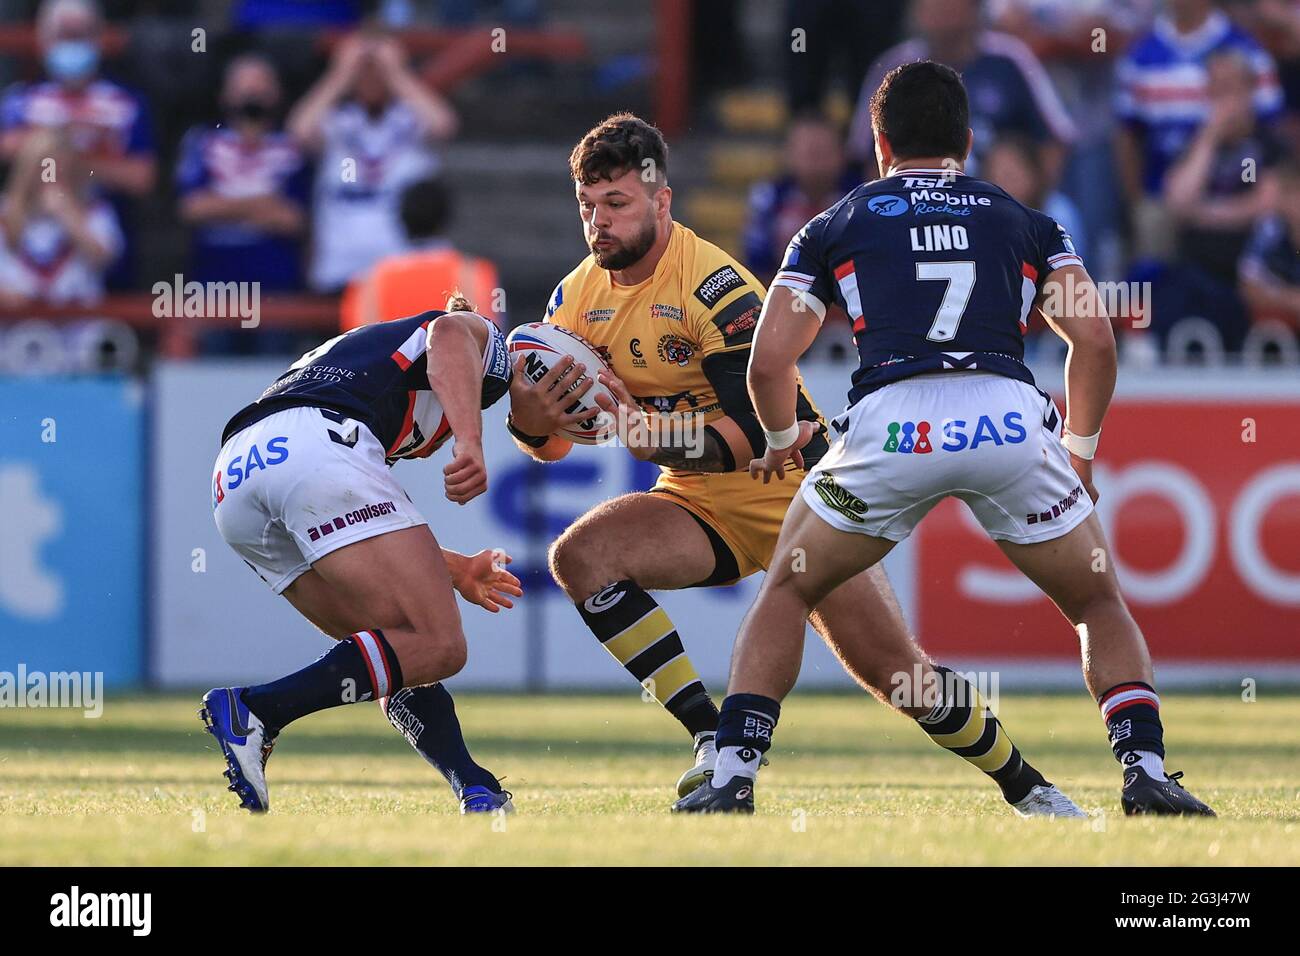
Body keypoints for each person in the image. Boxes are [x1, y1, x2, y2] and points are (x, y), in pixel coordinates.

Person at [674, 62, 1215, 817]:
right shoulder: (1025, 218)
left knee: (790, 588)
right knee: (1096, 599)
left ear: (878, 143)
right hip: (1007, 417)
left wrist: (777, 437)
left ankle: (732, 774)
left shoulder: (836, 223)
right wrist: (1081, 451)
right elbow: (1093, 339)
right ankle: (1146, 771)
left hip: (893, 422)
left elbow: (769, 359)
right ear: (966, 139)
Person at [507, 113, 1082, 818]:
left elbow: (752, 434)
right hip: (698, 501)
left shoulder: (714, 287)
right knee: (582, 557)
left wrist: (651, 435)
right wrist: (529, 423)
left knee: (900, 676)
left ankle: (1027, 785)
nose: (599, 223)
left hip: (795, 491)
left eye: (617, 204)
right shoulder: (572, 300)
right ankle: (710, 738)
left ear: (662, 200)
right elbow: (553, 444)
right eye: (588, 207)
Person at [201, 295, 522, 815]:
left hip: (235, 475)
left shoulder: (377, 364)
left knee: (398, 651)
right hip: (313, 441)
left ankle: (474, 785)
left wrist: (459, 569)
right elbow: (449, 334)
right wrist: (470, 441)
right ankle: (256, 709)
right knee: (442, 645)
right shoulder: (488, 342)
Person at [0, 0, 155, 288]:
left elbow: (141, 177)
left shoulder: (127, 104)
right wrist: (59, 140)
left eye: (80, 35)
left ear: (98, 37)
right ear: (43, 40)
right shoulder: (19, 102)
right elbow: (6, 147)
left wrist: (71, 161)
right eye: (63, 35)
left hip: (104, 234)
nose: (72, 44)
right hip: (29, 230)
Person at [289, 29, 458, 293]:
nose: (371, 77)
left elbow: (444, 125)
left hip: (406, 268)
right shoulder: (336, 121)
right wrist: (341, 73)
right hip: (342, 270)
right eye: (364, 70)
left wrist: (396, 71)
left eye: (377, 70)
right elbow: (299, 131)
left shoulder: (411, 119)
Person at [846, 0, 1077, 182]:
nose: (941, 9)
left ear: (975, 7)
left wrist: (1033, 199)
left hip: (1003, 200)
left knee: (1060, 212)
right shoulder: (893, 65)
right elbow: (867, 151)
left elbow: (1055, 140)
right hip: (917, 203)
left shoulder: (1010, 58)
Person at [176, 54, 311, 354]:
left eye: (260, 86)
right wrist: (263, 203)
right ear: (225, 94)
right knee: (216, 380)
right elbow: (192, 208)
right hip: (215, 286)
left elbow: (292, 219)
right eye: (244, 87)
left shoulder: (292, 146)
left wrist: (223, 205)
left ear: (277, 94)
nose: (253, 95)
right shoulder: (202, 142)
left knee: (275, 384)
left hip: (276, 286)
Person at [339, 176, 502, 331]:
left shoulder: (369, 281)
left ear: (401, 219)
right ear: (446, 218)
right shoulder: (473, 274)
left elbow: (358, 347)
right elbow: (491, 344)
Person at [0, 127, 121, 306]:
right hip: (18, 322)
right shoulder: (5, 211)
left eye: (59, 169)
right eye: (45, 168)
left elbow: (105, 258)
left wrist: (68, 214)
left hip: (79, 322)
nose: (51, 178)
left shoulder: (94, 209)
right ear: (29, 170)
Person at [742, 111, 859, 283]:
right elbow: (757, 265)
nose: (817, 162)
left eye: (824, 152)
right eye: (810, 152)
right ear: (789, 154)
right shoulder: (769, 196)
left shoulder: (862, 196)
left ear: (842, 154)